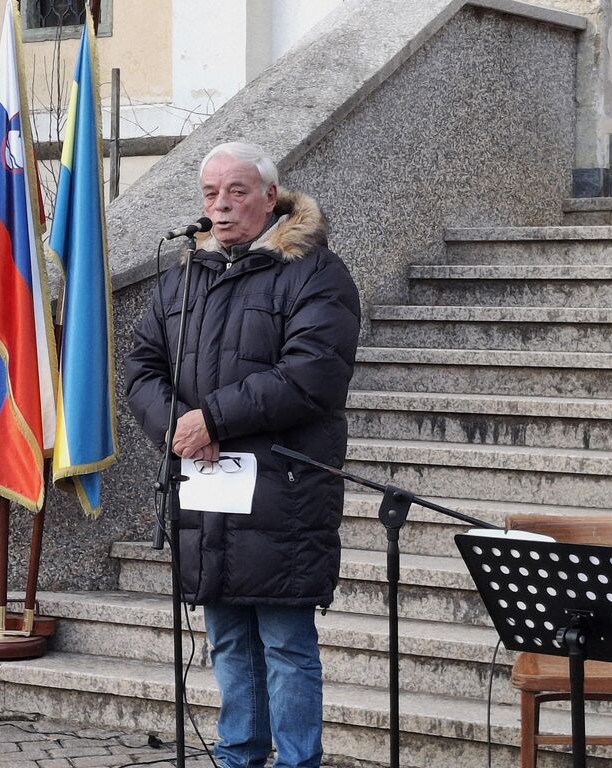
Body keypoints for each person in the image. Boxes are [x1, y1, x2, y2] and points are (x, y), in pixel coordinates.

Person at [125, 141, 360, 768]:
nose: (221, 207)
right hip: (206, 488)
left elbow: (314, 373)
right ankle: (237, 756)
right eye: (210, 194)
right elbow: (142, 368)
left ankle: (297, 762)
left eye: (236, 192)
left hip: (283, 487)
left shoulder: (315, 272)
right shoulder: (181, 278)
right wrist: (179, 427)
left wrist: (215, 418)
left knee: (285, 640)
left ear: (269, 197)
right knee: (227, 637)